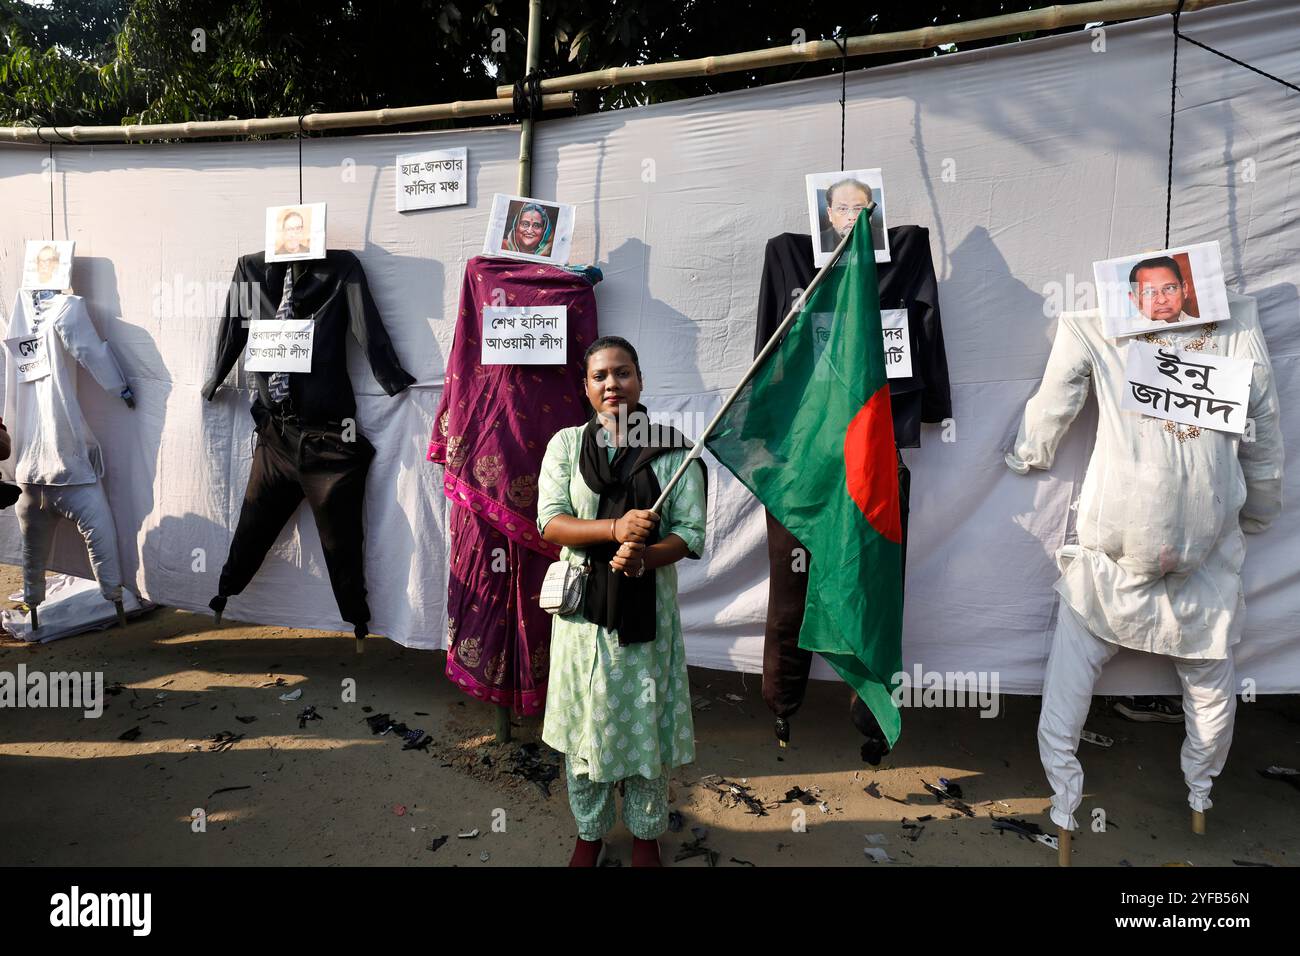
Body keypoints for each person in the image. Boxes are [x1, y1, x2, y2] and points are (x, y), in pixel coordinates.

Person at [1007, 292, 1282, 841]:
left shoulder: (1232, 327)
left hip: (1187, 563)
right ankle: (1087, 802)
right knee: (1097, 693)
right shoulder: (1098, 324)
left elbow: (1262, 421)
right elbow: (1265, 427)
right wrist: (1261, 506)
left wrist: (1029, 452)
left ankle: (1166, 795)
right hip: (1124, 564)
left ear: (1186, 288)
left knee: (1192, 697)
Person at [536, 335, 707, 867]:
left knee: (642, 726)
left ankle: (646, 835)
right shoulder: (565, 446)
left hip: (645, 614)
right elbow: (549, 520)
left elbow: (689, 532)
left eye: (624, 373)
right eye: (601, 376)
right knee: (585, 722)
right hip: (583, 616)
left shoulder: (675, 451)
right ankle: (589, 832)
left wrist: (644, 559)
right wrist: (614, 528)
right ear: (586, 387)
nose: (613, 384)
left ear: (641, 379)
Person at [819, 178, 883, 255]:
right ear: (830, 214)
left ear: (870, 213)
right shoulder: (818, 242)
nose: (852, 217)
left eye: (859, 209)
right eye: (842, 209)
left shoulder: (884, 239)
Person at [1128, 256, 1193, 324]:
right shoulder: (1123, 332)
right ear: (1135, 299)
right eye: (1148, 292)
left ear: (1184, 289)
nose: (1162, 300)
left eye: (1170, 288)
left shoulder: (1203, 327)